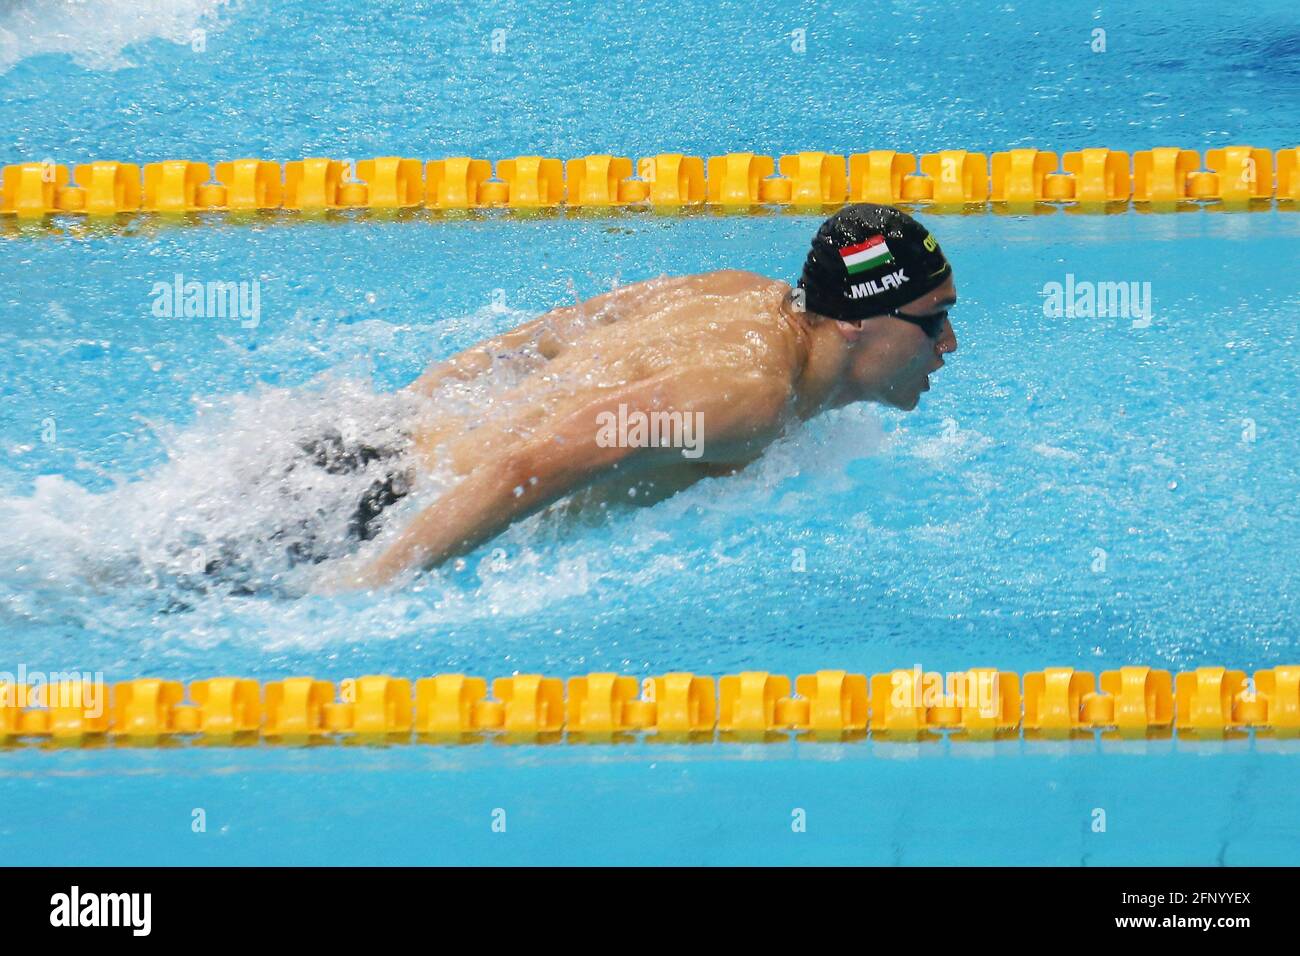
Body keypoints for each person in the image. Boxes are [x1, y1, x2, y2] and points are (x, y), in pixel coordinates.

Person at [325, 203, 958, 589]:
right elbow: (538, 464)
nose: (948, 343)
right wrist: (374, 582)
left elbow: (549, 334)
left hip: (365, 452)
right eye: (931, 319)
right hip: (373, 512)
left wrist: (408, 405)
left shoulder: (740, 292)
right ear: (856, 319)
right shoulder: (748, 401)